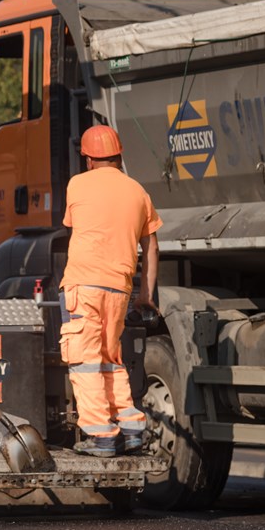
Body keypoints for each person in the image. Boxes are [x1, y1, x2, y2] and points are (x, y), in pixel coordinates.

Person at [58, 125, 162, 458]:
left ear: (88, 159)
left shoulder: (77, 184)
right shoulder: (138, 192)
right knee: (110, 358)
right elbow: (152, 246)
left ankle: (101, 435)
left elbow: (74, 224)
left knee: (85, 359)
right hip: (120, 287)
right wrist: (145, 294)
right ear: (119, 156)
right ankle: (130, 427)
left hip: (84, 285)